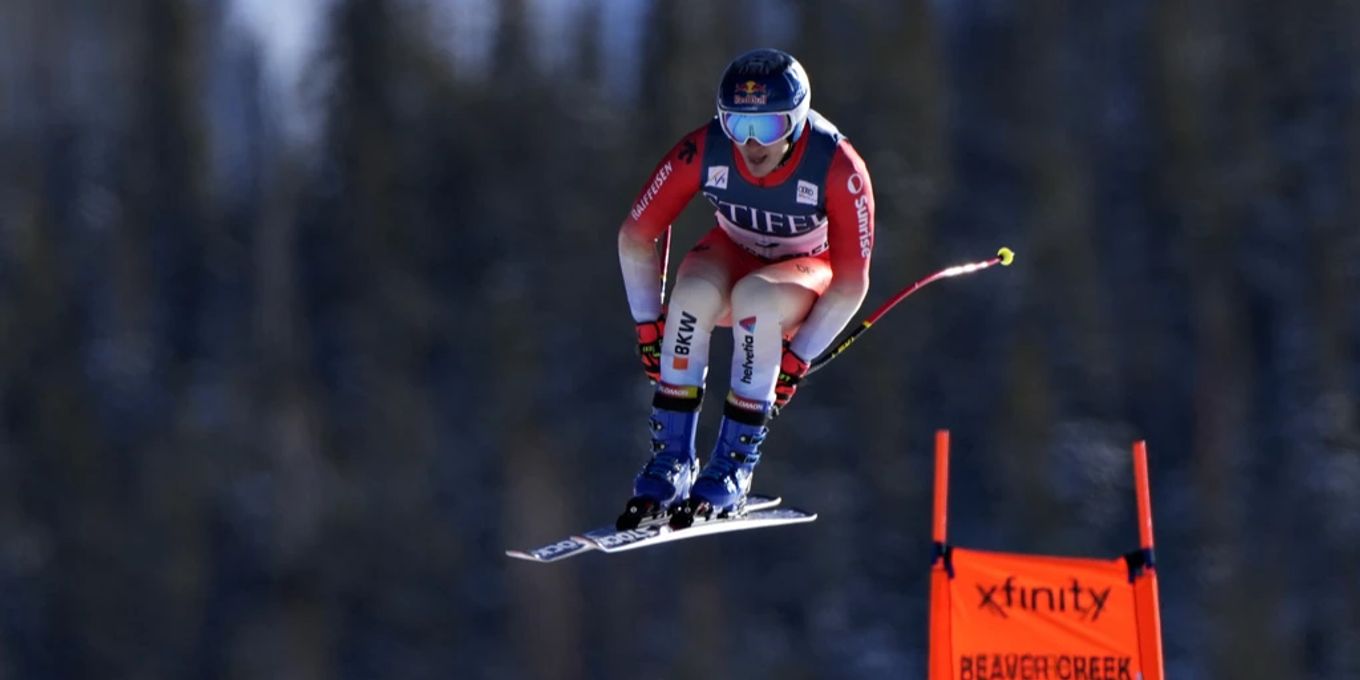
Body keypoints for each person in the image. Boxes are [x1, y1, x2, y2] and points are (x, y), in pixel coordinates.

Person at [616, 48, 875, 529]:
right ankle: (672, 460)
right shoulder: (705, 149)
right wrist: (649, 326)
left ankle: (734, 467)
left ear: (796, 123)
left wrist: (800, 355)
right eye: (738, 126)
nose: (752, 145)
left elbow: (851, 281)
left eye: (769, 128)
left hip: (801, 269)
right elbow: (635, 236)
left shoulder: (836, 165)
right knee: (690, 299)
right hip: (733, 250)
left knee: (755, 300)